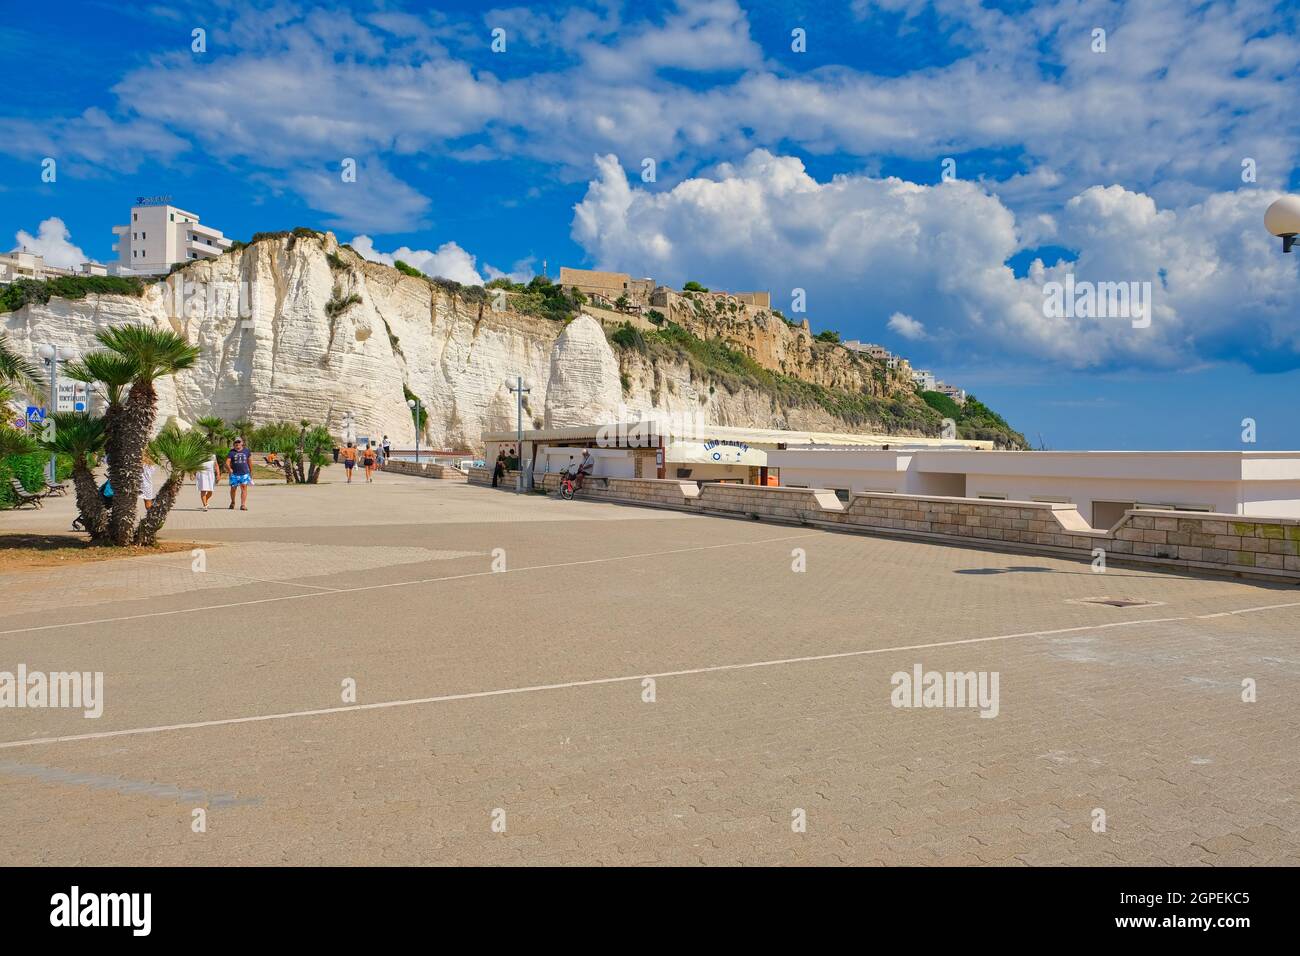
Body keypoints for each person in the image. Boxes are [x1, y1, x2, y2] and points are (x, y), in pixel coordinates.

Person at [227, 436, 253, 511]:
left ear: (242, 443)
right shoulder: (231, 452)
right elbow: (227, 462)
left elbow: (249, 461)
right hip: (234, 474)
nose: (237, 443)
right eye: (236, 442)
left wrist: (251, 471)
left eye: (239, 442)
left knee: (244, 488)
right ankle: (233, 502)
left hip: (244, 473)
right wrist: (229, 469)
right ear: (234, 444)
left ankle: (243, 505)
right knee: (233, 489)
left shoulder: (246, 451)